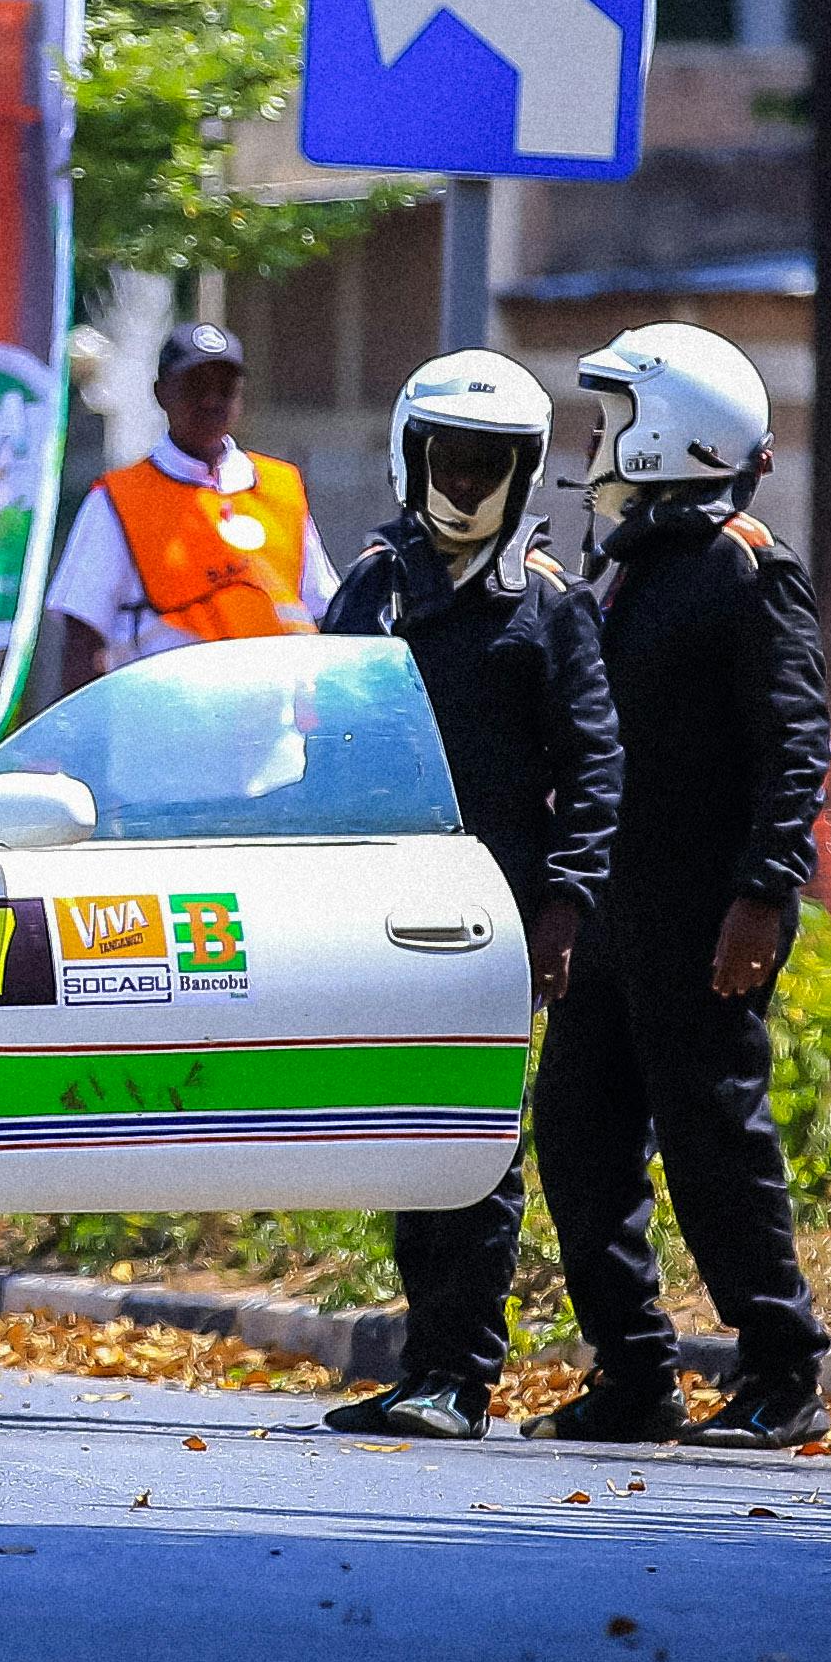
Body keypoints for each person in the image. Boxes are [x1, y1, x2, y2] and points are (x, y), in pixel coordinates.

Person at [526, 325, 831, 1450]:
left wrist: (764, 893)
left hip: (707, 918)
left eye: (613, 423)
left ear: (670, 435)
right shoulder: (629, 567)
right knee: (578, 1139)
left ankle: (781, 1371)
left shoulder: (745, 568)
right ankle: (635, 1373)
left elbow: (796, 747)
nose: (598, 444)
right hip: (614, 912)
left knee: (715, 1145)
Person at [308, 352, 615, 1441]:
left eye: (492, 461)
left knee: (480, 1142)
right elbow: (320, 736)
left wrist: (566, 907)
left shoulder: (548, 604)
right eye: (453, 455)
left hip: (499, 913)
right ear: (414, 452)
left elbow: (593, 765)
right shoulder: (372, 586)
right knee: (410, 1135)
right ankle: (420, 1363)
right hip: (388, 903)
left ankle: (462, 1377)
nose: (470, 476)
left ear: (526, 469)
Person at [41, 318, 329, 702]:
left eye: (224, 388)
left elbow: (324, 613)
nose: (211, 400)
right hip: (163, 734)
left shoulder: (282, 487)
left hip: (272, 737)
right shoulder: (119, 499)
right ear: (161, 393)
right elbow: (82, 637)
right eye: (194, 385)